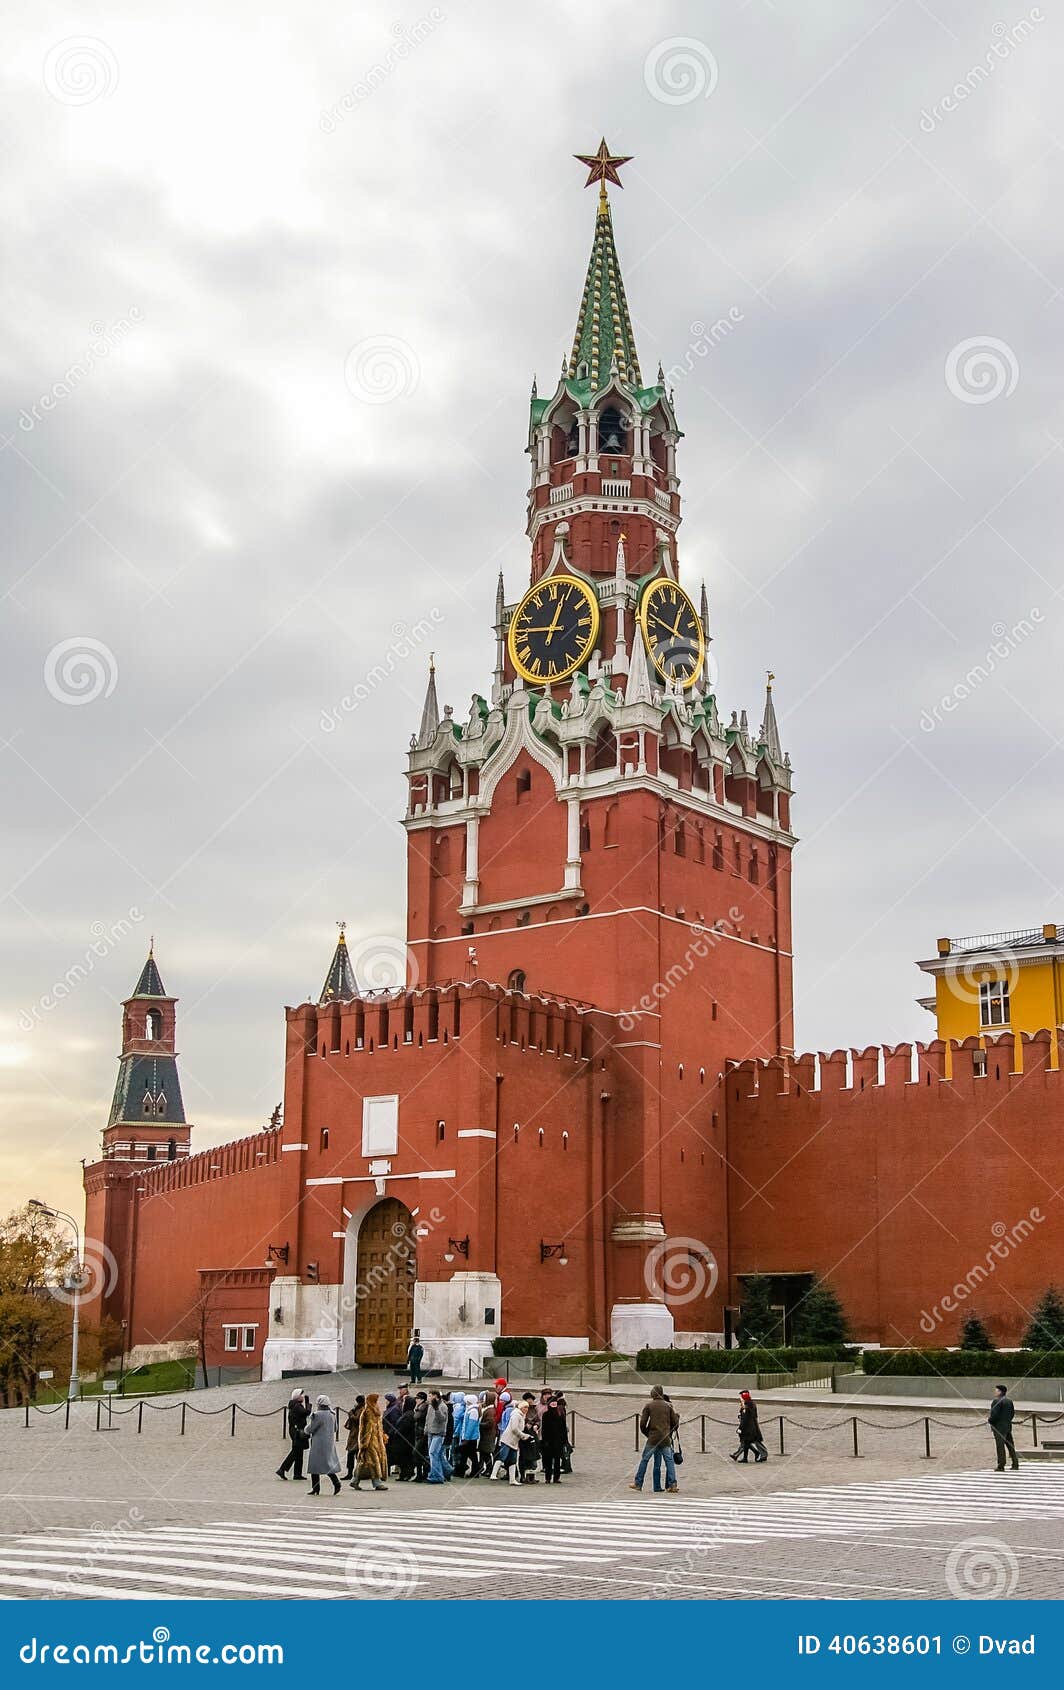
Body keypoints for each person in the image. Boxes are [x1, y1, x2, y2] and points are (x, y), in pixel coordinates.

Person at [631, 1384, 680, 1493]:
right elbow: (675, 1423)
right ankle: (672, 1484)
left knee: (645, 1460)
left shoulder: (649, 1406)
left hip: (653, 1438)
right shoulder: (668, 1406)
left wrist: (648, 1434)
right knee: (669, 1461)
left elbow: (642, 1424)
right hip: (665, 1438)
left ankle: (638, 1483)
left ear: (653, 1393)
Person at [352, 1392, 389, 1491]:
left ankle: (355, 1480)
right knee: (372, 1462)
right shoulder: (367, 1412)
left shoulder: (375, 1412)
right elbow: (365, 1429)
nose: (377, 1403)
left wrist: (382, 1436)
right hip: (369, 1442)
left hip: (377, 1441)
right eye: (376, 1400)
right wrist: (364, 1442)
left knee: (365, 1462)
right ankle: (377, 1483)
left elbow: (378, 1428)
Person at [306, 1394, 342, 1496]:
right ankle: (335, 1483)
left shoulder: (317, 1415)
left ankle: (316, 1488)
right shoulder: (332, 1414)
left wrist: (304, 1431)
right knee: (327, 1464)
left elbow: (310, 1429)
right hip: (329, 1442)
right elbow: (336, 1428)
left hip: (318, 1443)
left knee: (315, 1465)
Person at [276, 1386, 310, 1481]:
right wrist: (308, 1403)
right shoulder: (296, 1406)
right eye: (301, 1395)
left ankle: (297, 1474)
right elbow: (306, 1412)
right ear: (297, 1396)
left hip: (296, 1430)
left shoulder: (295, 1405)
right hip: (297, 1431)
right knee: (295, 1451)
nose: (303, 1396)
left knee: (299, 1452)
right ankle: (282, 1469)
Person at [492, 1397, 528, 1486]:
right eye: (525, 1407)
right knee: (502, 1456)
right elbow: (514, 1428)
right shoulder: (516, 1415)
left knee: (513, 1460)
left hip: (514, 1441)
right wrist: (522, 1435)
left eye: (527, 1407)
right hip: (508, 1439)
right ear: (520, 1407)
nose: (526, 1409)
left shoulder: (521, 1416)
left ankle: (512, 1479)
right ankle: (493, 1474)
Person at [989, 1385, 1020, 1471]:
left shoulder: (996, 1401)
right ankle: (1015, 1463)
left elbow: (994, 1415)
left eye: (996, 1390)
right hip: (1007, 1426)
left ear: (1000, 1392)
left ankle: (1001, 1465)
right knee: (1010, 1446)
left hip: (998, 1427)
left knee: (1000, 1446)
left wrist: (990, 1421)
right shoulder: (1009, 1401)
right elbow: (1012, 1413)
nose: (995, 1392)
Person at [732, 1390, 768, 1463]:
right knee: (746, 1442)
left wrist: (740, 1428)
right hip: (751, 1428)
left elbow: (745, 1419)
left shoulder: (747, 1406)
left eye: (741, 1398)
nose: (740, 1400)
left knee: (750, 1442)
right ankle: (741, 1456)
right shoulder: (748, 1405)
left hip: (749, 1429)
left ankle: (762, 1454)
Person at [426, 1389, 452, 1484]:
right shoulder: (430, 1406)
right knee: (435, 1454)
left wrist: (436, 1409)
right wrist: (426, 1429)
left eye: (430, 1396)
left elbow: (442, 1419)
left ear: (435, 1396)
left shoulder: (442, 1406)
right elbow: (428, 1419)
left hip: (438, 1433)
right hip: (430, 1432)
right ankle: (446, 1471)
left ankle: (437, 1476)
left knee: (433, 1453)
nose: (428, 1398)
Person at [540, 1395, 567, 1484]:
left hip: (558, 1441)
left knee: (557, 1460)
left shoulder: (560, 1414)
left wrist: (565, 1441)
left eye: (555, 1402)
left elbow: (563, 1428)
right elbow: (544, 1429)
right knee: (548, 1460)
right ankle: (548, 1477)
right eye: (552, 1402)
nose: (554, 1403)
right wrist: (544, 1441)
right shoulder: (546, 1415)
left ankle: (556, 1477)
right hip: (549, 1441)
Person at [393, 1393, 418, 1480]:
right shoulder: (409, 1414)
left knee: (404, 1458)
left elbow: (403, 1427)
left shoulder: (408, 1415)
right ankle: (405, 1473)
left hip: (404, 1440)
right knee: (405, 1458)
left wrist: (395, 1431)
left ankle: (406, 1473)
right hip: (406, 1439)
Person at [455, 1394, 480, 1476]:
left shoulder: (473, 1411)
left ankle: (472, 1471)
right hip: (468, 1437)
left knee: (470, 1455)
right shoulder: (470, 1410)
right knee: (467, 1455)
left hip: (470, 1438)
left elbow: (470, 1426)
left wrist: (466, 1438)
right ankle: (463, 1471)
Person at [343, 1394, 365, 1481]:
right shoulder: (358, 1408)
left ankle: (355, 1473)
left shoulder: (361, 1409)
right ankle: (352, 1472)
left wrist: (351, 1414)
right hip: (354, 1435)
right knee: (353, 1455)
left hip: (357, 1435)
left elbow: (357, 1419)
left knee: (354, 1454)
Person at [518, 1400, 541, 1483]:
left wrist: (536, 1425)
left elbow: (538, 1420)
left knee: (533, 1458)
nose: (526, 1409)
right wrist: (525, 1425)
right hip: (523, 1438)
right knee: (524, 1458)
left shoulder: (534, 1410)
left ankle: (531, 1477)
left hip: (533, 1437)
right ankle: (523, 1476)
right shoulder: (519, 1415)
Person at [477, 1388, 497, 1476]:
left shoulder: (490, 1411)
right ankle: (487, 1469)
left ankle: (489, 1469)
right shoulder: (489, 1409)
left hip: (488, 1435)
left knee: (486, 1453)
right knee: (484, 1452)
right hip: (486, 1434)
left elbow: (490, 1423)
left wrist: (479, 1424)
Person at [412, 1391, 430, 1482]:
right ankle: (420, 1474)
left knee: (417, 1452)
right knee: (420, 1454)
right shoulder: (419, 1407)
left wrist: (416, 1410)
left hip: (422, 1434)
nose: (416, 1400)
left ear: (422, 1399)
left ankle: (424, 1474)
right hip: (419, 1433)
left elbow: (416, 1417)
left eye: (418, 1398)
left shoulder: (423, 1407)